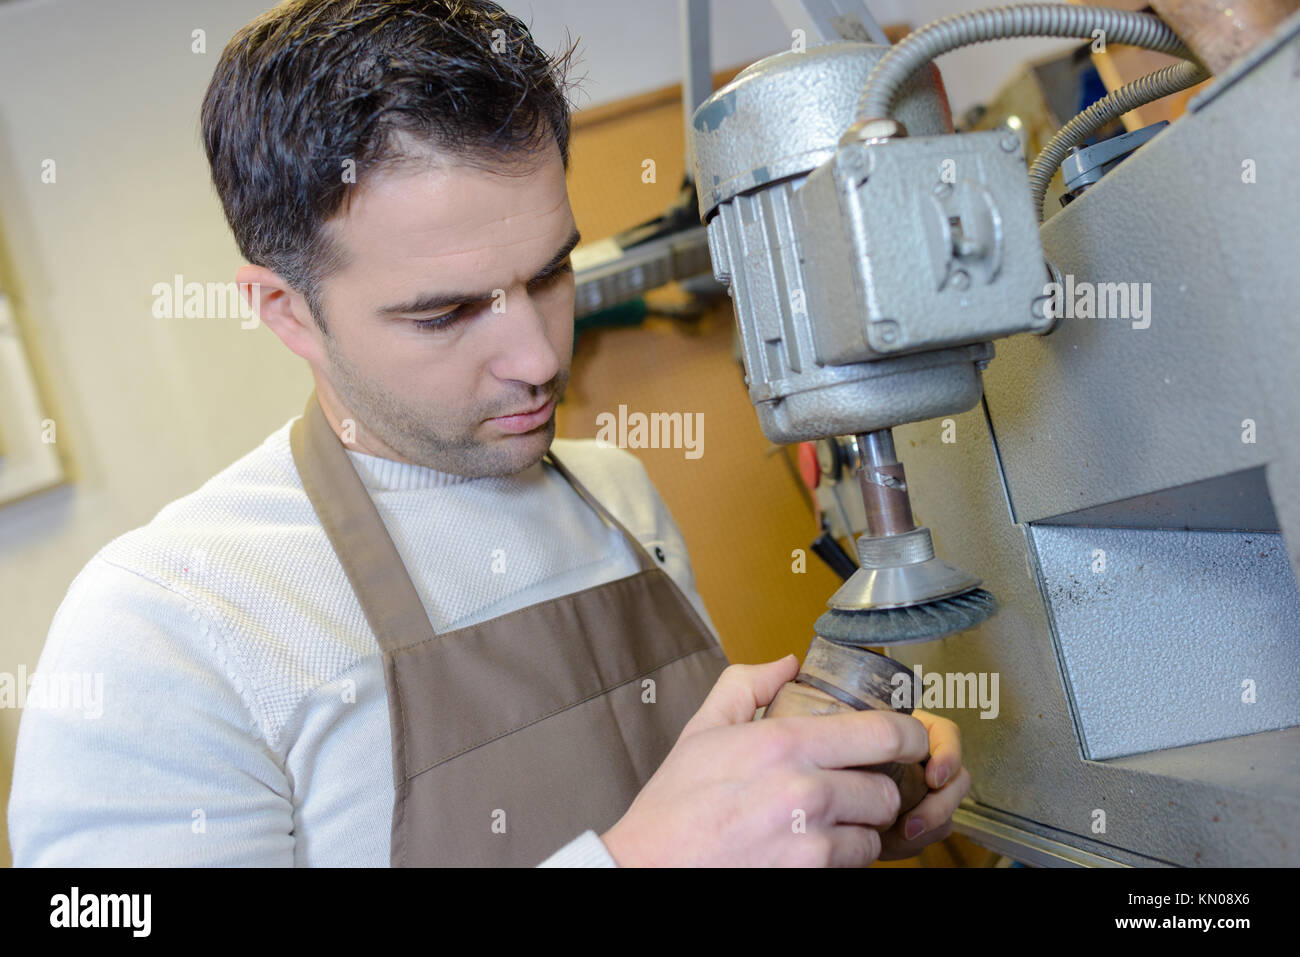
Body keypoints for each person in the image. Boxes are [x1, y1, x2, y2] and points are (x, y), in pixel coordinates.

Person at [8, 0, 970, 867]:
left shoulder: (616, 493)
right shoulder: (169, 625)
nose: (540, 357)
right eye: (446, 312)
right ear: (284, 310)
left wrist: (817, 812)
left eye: (551, 273)